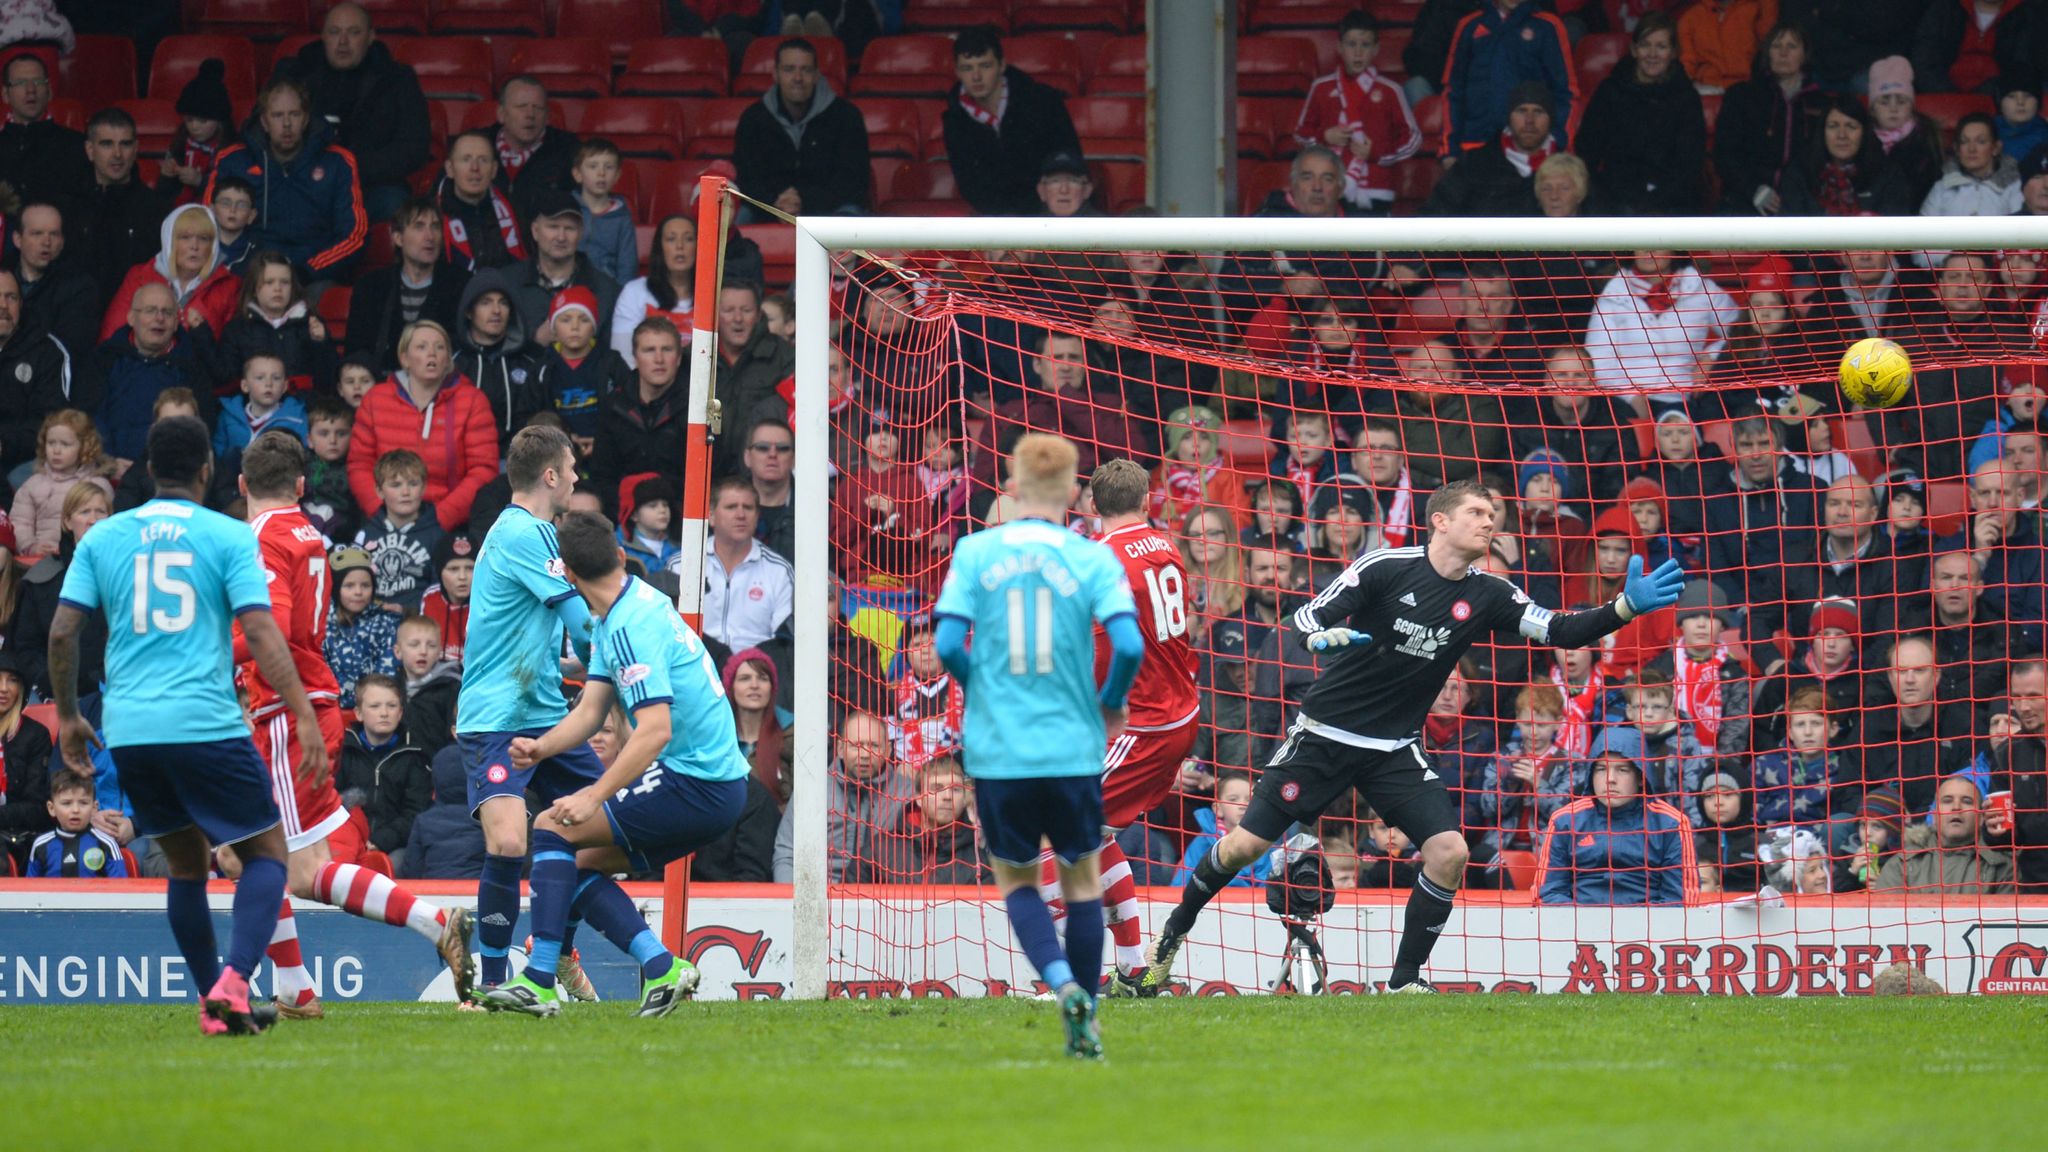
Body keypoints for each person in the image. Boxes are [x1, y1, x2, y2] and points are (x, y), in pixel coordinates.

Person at [1139, 480, 1687, 995]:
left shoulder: (1492, 593)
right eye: (1476, 512)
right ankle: (1171, 934)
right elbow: (1305, 618)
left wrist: (1624, 607)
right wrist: (1320, 638)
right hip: (1325, 736)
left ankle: (1404, 983)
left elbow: (1560, 629)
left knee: (1450, 853)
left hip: (1394, 748)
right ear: (1440, 520)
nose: (1489, 522)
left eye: (1493, 515)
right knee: (1245, 846)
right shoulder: (1385, 566)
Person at [50, 415, 326, 1034]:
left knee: (185, 864)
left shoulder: (104, 536)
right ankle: (235, 980)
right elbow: (262, 632)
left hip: (130, 729)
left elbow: (64, 631)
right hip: (206, 722)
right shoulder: (229, 536)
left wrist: (68, 715)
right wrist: (304, 711)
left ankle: (215, 1002)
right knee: (267, 853)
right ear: (207, 470)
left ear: (149, 470)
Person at [229, 432, 472, 1017]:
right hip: (307, 702)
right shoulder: (311, 534)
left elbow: (271, 630)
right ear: (301, 484)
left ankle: (426, 926)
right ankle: (300, 989)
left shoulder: (263, 536)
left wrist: (207, 649)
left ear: (242, 484)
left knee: (262, 859)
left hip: (284, 710)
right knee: (296, 867)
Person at [483, 509, 749, 1017]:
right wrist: (542, 748)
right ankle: (660, 967)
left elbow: (655, 729)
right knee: (577, 861)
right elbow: (590, 711)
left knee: (552, 827)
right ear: (621, 556)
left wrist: (594, 794)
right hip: (715, 782)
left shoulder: (627, 627)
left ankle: (539, 979)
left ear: (568, 575)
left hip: (698, 782)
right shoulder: (626, 610)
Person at [933, 433, 1143, 1057]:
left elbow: (945, 645)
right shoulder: (1091, 557)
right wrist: (1110, 702)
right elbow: (1129, 645)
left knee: (1020, 883)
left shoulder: (975, 551)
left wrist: (983, 688)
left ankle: (1061, 985)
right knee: (1081, 881)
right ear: (1076, 491)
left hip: (1000, 749)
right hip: (1072, 745)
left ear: (1013, 486)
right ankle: (1089, 1007)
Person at [455, 425, 602, 1002]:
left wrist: (575, 666)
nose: (576, 479)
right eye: (571, 469)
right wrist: (612, 664)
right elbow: (581, 622)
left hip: (543, 712)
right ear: (550, 475)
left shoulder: (520, 533)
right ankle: (491, 984)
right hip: (497, 717)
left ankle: (558, 949)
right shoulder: (527, 532)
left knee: (605, 829)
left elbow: (539, 635)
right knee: (510, 843)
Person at [270, 1, 431, 222]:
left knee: (397, 205)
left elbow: (413, 148)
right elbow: (259, 128)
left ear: (371, 37)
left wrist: (347, 168)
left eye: (354, 32)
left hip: (371, 185)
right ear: (323, 36)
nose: (343, 42)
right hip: (301, 180)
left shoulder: (397, 79)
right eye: (334, 32)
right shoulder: (294, 73)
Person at [206, 79, 367, 283]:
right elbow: (206, 223)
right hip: (249, 273)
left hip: (314, 275)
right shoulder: (232, 160)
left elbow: (354, 236)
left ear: (306, 119)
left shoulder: (339, 161)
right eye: (277, 115)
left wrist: (307, 271)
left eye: (294, 114)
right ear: (264, 122)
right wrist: (245, 269)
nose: (287, 124)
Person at [347, 320, 498, 531]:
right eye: (421, 347)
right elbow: (359, 465)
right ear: (404, 358)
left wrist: (440, 518)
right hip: (384, 520)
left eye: (440, 347)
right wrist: (383, 514)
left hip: (449, 523)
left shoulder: (473, 400)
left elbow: (483, 470)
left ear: (448, 358)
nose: (432, 354)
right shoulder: (375, 399)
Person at [1536, 727, 1696, 906]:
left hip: (1650, 922)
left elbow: (1681, 899)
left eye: (1622, 770)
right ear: (1590, 774)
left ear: (1641, 777)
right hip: (1578, 921)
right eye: (1601, 769)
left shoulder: (1672, 823)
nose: (1610, 779)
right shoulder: (1564, 820)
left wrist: (1636, 921)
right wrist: (1583, 920)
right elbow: (1547, 893)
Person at [941, 26, 1083, 217]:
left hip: (1049, 213)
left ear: (1002, 65)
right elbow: (970, 185)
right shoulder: (954, 120)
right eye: (967, 68)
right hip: (995, 219)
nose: (976, 77)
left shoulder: (1043, 101)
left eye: (985, 66)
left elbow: (1068, 161)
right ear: (957, 71)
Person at [1290, 10, 1422, 215]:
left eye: (1365, 45)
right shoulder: (1321, 88)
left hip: (1377, 189)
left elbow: (1413, 139)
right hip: (1332, 188)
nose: (1358, 52)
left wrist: (1377, 153)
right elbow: (1300, 133)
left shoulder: (1390, 91)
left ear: (1376, 49)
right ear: (1339, 47)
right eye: (1351, 44)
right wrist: (1324, 136)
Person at [1576, 14, 1706, 216]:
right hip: (1615, 196)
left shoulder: (1686, 98)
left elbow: (1689, 165)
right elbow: (1587, 150)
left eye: (1661, 47)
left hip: (1671, 201)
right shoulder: (1610, 91)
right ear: (1634, 50)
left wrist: (1652, 202)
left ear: (1673, 53)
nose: (1652, 54)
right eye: (1645, 45)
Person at [83, 282, 219, 469]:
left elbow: (201, 429)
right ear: (131, 318)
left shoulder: (192, 367)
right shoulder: (105, 359)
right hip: (105, 468)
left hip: (168, 472)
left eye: (167, 312)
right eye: (150, 310)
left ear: (176, 322)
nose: (159, 318)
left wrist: (154, 470)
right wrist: (107, 461)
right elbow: (90, 416)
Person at [735, 37, 871, 217]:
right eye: (789, 69)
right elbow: (745, 179)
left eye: (806, 70)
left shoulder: (847, 116)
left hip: (829, 208)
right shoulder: (753, 118)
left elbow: (854, 181)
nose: (798, 78)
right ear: (775, 74)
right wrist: (776, 202)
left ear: (816, 75)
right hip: (768, 207)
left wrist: (802, 201)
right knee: (738, 217)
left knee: (851, 215)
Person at [1714, 22, 1829, 216]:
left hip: (1801, 202)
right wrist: (1753, 189)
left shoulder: (1820, 103)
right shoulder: (1741, 96)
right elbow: (1725, 154)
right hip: (1744, 198)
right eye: (1776, 46)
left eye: (1792, 46)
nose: (1783, 53)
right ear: (1767, 53)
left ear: (1804, 55)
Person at [346, 198, 470, 374]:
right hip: (383, 383)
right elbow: (356, 354)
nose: (430, 236)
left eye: (435, 227)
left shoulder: (461, 284)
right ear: (398, 238)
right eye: (419, 227)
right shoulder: (370, 287)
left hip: (442, 381)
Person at [1439, 0, 1575, 156]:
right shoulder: (1469, 25)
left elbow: (1566, 92)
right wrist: (1449, 151)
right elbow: (1453, 92)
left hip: (1531, 151)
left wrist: (1558, 143)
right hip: (1475, 144)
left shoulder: (1548, 26)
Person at [72, 107, 171, 313]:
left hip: (135, 319)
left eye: (125, 144)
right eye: (106, 144)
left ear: (136, 149)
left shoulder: (157, 209)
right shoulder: (70, 206)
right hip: (77, 317)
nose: (117, 154)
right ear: (90, 150)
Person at [590, 318, 689, 517]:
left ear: (678, 358)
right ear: (635, 357)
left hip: (681, 517)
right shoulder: (614, 405)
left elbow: (709, 476)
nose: (659, 359)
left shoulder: (696, 405)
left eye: (667, 349)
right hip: (624, 517)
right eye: (649, 350)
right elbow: (602, 476)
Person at [100, 203, 240, 344]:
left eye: (204, 238)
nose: (195, 246)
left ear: (213, 245)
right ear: (169, 241)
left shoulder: (230, 286)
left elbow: (230, 350)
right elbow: (111, 338)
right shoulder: (139, 276)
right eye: (185, 237)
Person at [1422, 81, 1556, 217]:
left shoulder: (1564, 168)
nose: (1529, 120)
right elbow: (1434, 215)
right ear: (1509, 118)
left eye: (1538, 112)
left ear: (1551, 119)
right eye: (1521, 111)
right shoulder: (1474, 164)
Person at [506, 188, 618, 345]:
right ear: (535, 231)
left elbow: (612, 355)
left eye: (569, 228)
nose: (561, 237)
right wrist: (536, 341)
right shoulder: (507, 284)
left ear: (580, 233)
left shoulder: (607, 291)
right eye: (553, 227)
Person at [1778, 94, 1918, 217]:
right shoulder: (1800, 174)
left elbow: (1895, 232)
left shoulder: (1889, 176)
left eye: (1851, 126)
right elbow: (1789, 234)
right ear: (1822, 133)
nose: (1842, 135)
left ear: (1864, 133)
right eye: (1833, 126)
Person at [1873, 773, 2016, 893]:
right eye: (1947, 801)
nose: (1956, 807)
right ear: (1934, 815)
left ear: (1981, 817)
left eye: (1967, 801)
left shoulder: (2000, 865)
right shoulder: (1902, 864)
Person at [699, 476, 793, 654]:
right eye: (731, 507)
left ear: (757, 517)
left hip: (757, 667)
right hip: (697, 665)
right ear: (711, 516)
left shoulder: (779, 571)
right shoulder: (684, 564)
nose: (741, 515)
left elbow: (784, 641)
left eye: (748, 508)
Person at [712, 281, 794, 478]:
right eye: (729, 310)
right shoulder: (696, 356)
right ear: (715, 315)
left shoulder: (786, 358)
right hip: (706, 478)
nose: (737, 318)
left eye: (746, 310)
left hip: (763, 479)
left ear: (758, 315)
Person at [11, 409, 110, 554]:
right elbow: (20, 522)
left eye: (65, 444)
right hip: (41, 558)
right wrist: (30, 546)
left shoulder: (98, 485)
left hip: (86, 556)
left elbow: (108, 526)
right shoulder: (33, 484)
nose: (56, 450)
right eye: (51, 443)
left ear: (84, 447)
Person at [13, 201, 100, 356]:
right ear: (18, 239)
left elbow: (72, 348)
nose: (46, 242)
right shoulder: (4, 278)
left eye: (54, 234)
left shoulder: (80, 288)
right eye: (37, 233)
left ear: (62, 241)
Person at [486, 75, 579, 215]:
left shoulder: (569, 149)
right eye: (521, 106)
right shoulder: (475, 144)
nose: (530, 114)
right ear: (501, 114)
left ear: (547, 116)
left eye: (538, 108)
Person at [0, 52, 86, 202]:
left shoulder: (78, 146)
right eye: (20, 82)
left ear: (49, 91)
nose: (31, 89)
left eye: (38, 81)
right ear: (5, 94)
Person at [610, 214, 694, 362]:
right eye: (671, 239)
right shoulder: (634, 292)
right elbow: (623, 358)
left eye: (688, 239)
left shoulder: (715, 295)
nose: (680, 246)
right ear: (659, 247)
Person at [436, 130, 523, 274]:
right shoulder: (432, 216)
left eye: (483, 160)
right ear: (450, 169)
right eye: (466, 159)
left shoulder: (516, 210)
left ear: (494, 170)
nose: (475, 168)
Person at [323, 546, 398, 707]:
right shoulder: (323, 625)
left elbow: (387, 674)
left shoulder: (384, 623)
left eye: (365, 585)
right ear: (336, 588)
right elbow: (321, 673)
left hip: (375, 709)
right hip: (331, 708)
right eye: (349, 586)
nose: (358, 592)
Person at [1922, 113, 2023, 218]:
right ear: (1957, 149)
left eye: (1981, 141)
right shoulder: (1941, 188)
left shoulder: (2014, 187)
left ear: (1996, 148)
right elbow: (1924, 226)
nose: (1971, 149)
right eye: (1964, 142)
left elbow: (2021, 226)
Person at [27, 768, 123, 877]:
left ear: (94, 808)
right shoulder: (40, 845)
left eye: (83, 803)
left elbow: (121, 887)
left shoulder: (106, 844)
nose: (76, 810)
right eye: (67, 803)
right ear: (51, 808)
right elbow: (29, 887)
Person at [571, 139, 635, 287]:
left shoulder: (622, 218)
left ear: (617, 175)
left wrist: (621, 296)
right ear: (577, 174)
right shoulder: (567, 209)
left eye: (609, 167)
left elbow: (627, 266)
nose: (601, 173)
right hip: (569, 289)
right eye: (593, 166)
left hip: (607, 292)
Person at [1677, 0, 1777, 94]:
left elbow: (1770, 42)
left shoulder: (1754, 9)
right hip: (1707, 89)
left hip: (1748, 88)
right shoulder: (1691, 17)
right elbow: (1687, 63)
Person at [744, 416, 796, 562]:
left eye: (782, 448)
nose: (772, 454)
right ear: (747, 457)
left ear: (793, 459)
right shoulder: (725, 507)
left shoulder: (816, 509)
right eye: (763, 447)